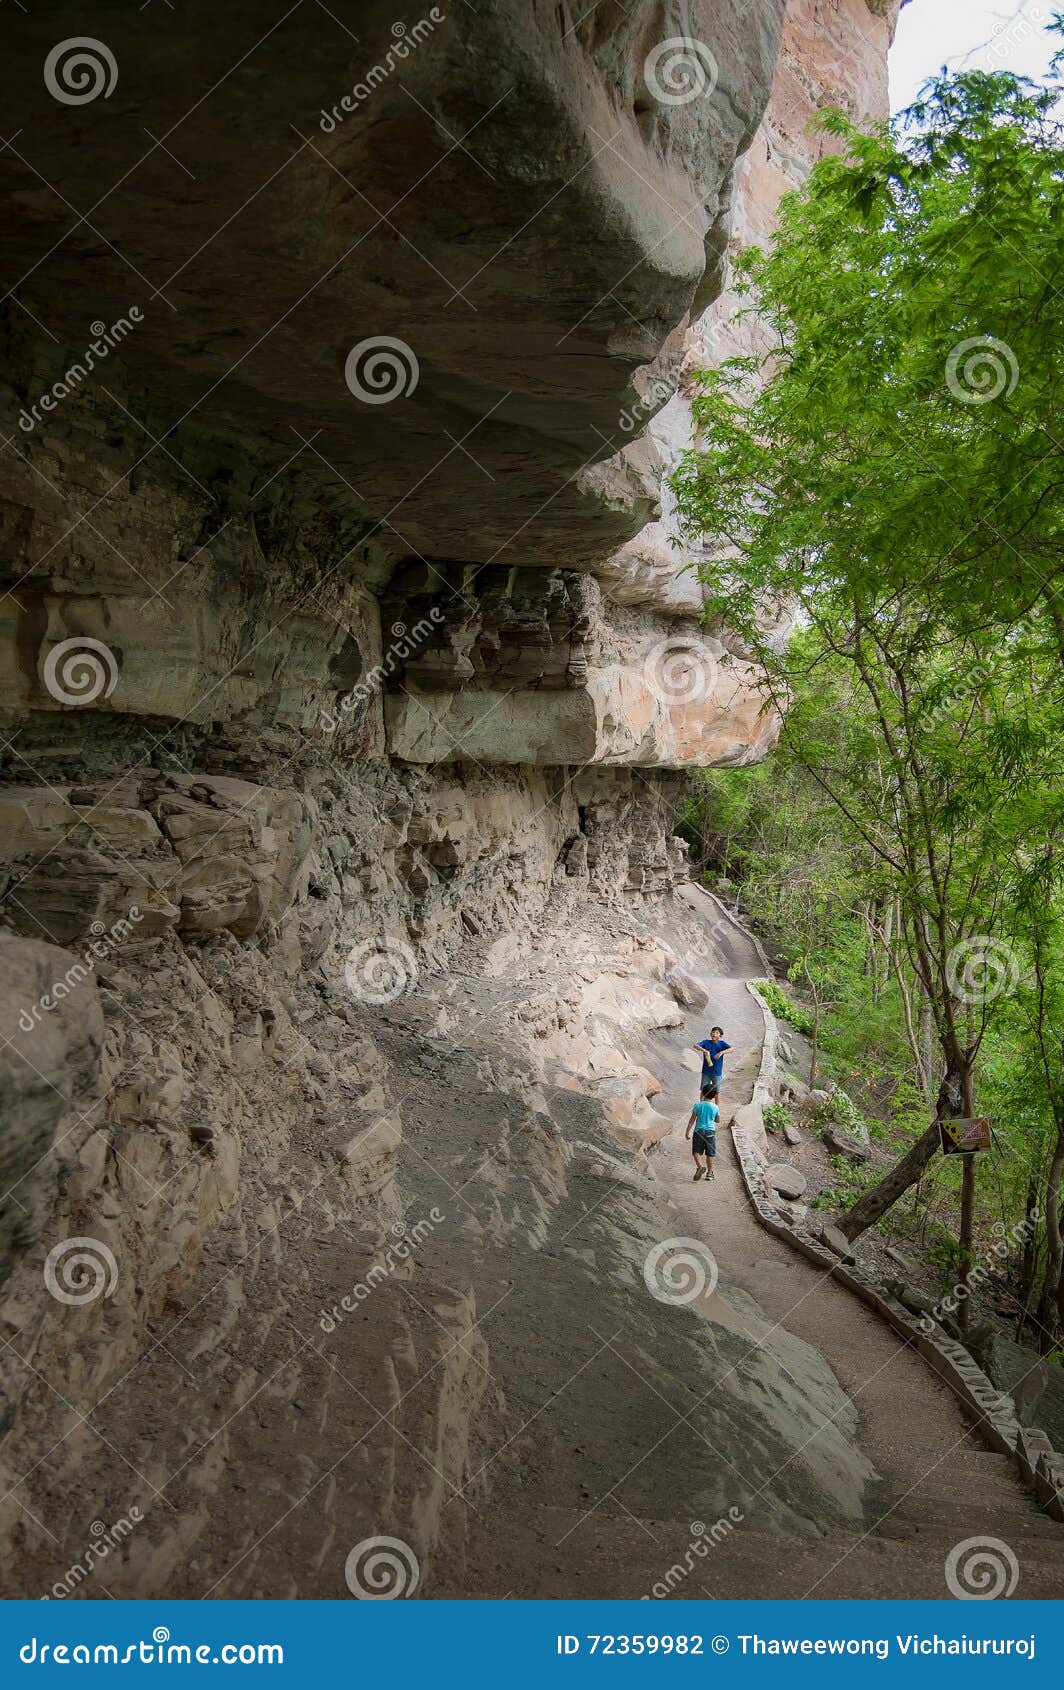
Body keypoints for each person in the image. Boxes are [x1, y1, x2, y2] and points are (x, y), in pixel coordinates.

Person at [686, 1084, 720, 1181]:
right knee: (710, 1153)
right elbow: (717, 1120)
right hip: (710, 1132)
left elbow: (692, 1120)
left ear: (702, 1093)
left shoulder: (698, 1105)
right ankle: (709, 1173)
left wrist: (687, 1132)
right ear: (714, 1096)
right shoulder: (715, 1107)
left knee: (696, 1151)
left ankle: (700, 1167)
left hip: (698, 1131)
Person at [693, 1026, 731, 1100]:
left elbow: (732, 1049)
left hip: (717, 1072)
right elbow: (695, 1045)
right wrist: (704, 1050)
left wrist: (722, 1052)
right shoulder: (706, 1042)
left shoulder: (722, 1044)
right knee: (703, 1090)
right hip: (706, 1071)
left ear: (720, 1036)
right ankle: (701, 1106)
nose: (714, 1034)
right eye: (713, 1032)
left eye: (717, 1033)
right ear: (710, 1033)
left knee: (717, 1091)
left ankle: (716, 1108)